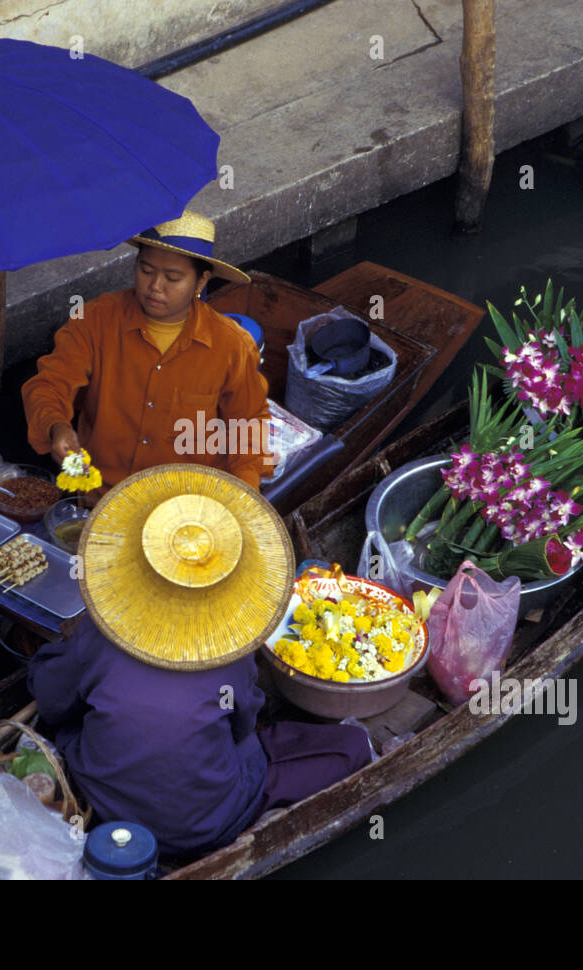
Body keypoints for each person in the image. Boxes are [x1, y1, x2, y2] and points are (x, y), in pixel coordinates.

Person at [27, 463, 372, 857]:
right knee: (350, 745)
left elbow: (51, 699)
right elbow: (244, 728)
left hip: (105, 805)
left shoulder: (99, 635)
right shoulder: (228, 651)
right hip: (206, 825)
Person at [21, 210, 271, 491]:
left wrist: (243, 497)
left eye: (173, 278)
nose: (155, 287)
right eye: (146, 270)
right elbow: (49, 384)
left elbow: (248, 425)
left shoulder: (231, 345)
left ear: (201, 282)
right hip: (102, 490)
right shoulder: (93, 319)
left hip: (185, 501)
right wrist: (57, 426)